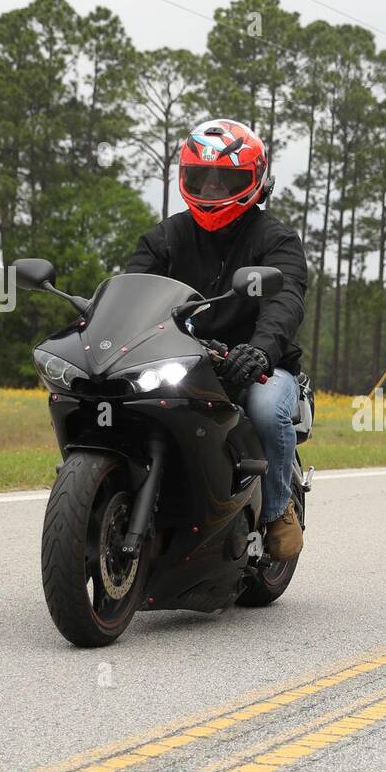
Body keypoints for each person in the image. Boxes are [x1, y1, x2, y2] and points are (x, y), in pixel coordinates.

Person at [125, 118, 307, 561]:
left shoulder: (275, 239)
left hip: (257, 364)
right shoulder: (165, 237)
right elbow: (129, 291)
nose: (210, 189)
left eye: (224, 178)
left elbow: (284, 305)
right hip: (180, 359)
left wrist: (260, 352)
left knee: (265, 410)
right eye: (201, 178)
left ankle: (278, 511)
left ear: (254, 181)